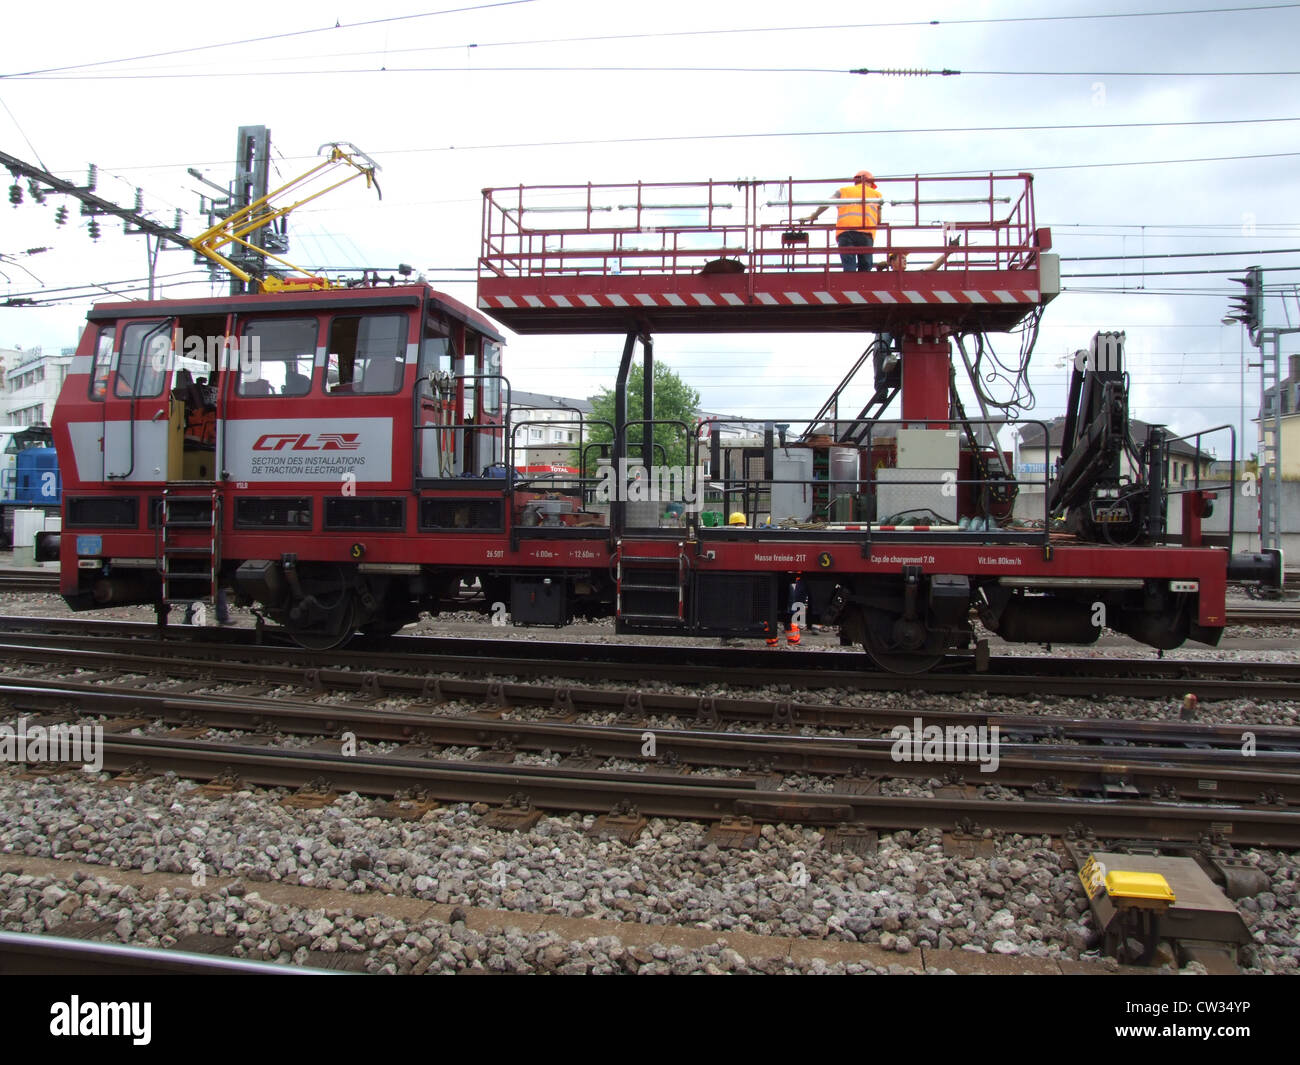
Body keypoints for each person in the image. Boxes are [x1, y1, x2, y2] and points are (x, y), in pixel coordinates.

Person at [801, 170, 882, 272]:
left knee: (849, 268)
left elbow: (826, 203)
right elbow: (879, 220)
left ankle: (849, 285)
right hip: (866, 234)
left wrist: (814, 215)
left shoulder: (843, 191)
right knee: (865, 269)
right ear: (870, 182)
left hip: (845, 233)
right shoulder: (877, 195)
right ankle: (863, 286)